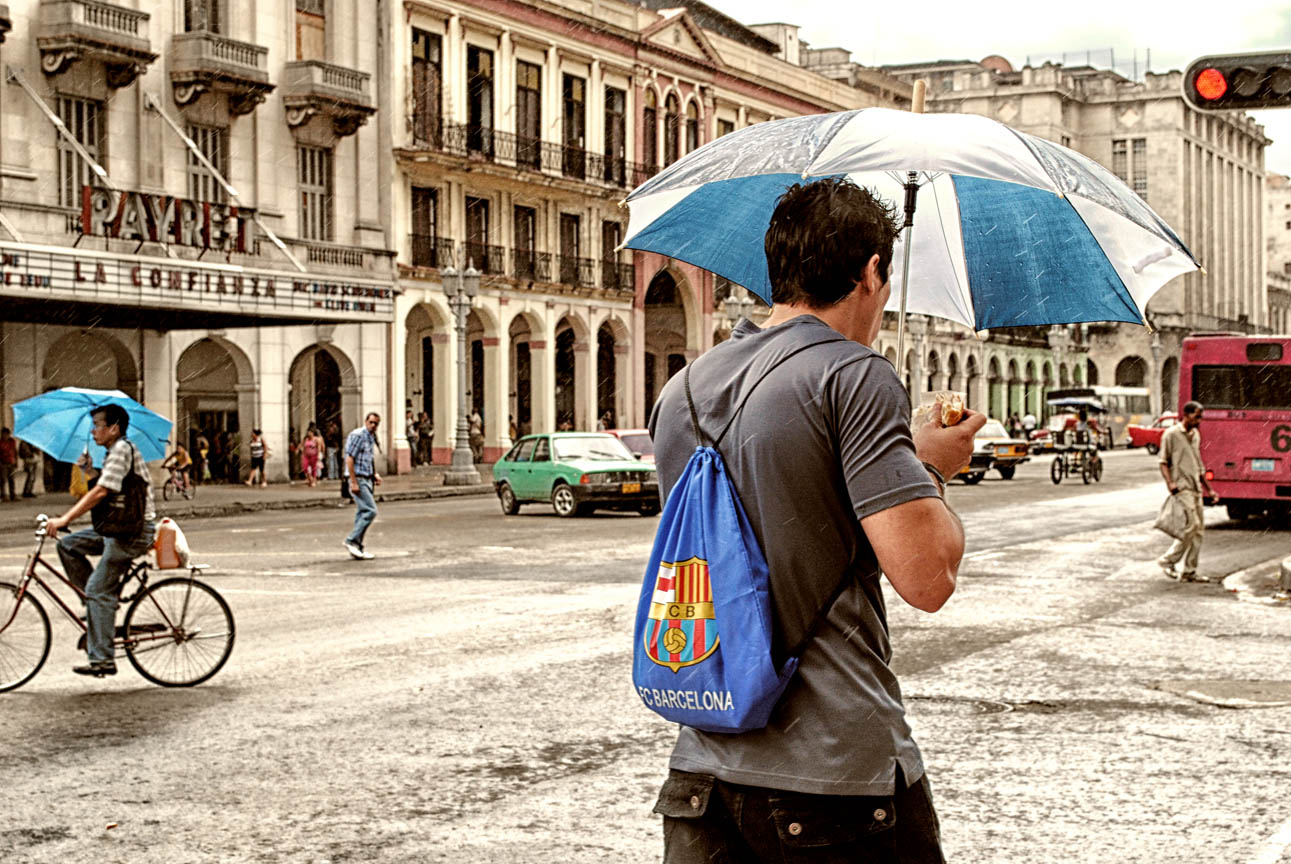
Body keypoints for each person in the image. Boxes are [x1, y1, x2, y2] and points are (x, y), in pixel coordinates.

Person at [648, 178, 981, 863]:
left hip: (702, 776)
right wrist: (931, 467)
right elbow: (926, 578)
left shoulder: (684, 389)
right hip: (834, 779)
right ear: (871, 272)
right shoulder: (853, 376)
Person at [46, 403, 157, 677]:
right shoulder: (114, 451)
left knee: (98, 589)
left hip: (131, 532)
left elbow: (102, 492)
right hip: (118, 527)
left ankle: (103, 659)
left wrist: (64, 519)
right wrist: (90, 471)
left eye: (97, 425)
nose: (93, 431)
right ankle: (97, 604)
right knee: (68, 545)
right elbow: (111, 484)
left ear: (114, 428)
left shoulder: (121, 450)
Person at [1157, 401, 1219, 582]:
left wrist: (1210, 490)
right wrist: (1170, 483)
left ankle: (1190, 571)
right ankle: (1167, 561)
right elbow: (1163, 462)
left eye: (1200, 417)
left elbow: (1198, 465)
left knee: (1198, 531)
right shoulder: (1171, 434)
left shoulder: (1195, 435)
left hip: (1195, 487)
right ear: (1186, 415)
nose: (1199, 421)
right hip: (1181, 487)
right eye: (1196, 417)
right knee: (1191, 526)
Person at [343, 412, 382, 560]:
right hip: (358, 478)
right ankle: (351, 540)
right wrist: (353, 481)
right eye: (371, 422)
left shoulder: (371, 437)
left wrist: (374, 474)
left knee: (362, 512)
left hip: (366, 477)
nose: (373, 425)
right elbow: (350, 458)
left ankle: (357, 546)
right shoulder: (358, 435)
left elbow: (368, 458)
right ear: (366, 421)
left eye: (376, 423)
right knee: (371, 510)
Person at [0, 428, 17, 501]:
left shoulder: (12, 442)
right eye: (3, 434)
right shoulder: (0, 443)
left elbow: (15, 452)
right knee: (3, 480)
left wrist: (16, 462)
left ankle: (13, 495)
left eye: (6, 434)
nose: (5, 436)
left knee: (12, 479)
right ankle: (3, 495)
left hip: (11, 463)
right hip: (3, 463)